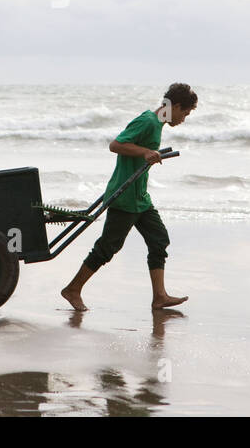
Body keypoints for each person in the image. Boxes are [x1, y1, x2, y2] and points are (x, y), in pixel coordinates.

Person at [60, 82, 197, 311]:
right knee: (107, 248)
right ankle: (72, 289)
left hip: (140, 198)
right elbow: (116, 144)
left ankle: (159, 296)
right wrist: (145, 152)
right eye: (186, 113)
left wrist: (148, 153)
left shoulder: (158, 123)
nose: (184, 118)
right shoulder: (148, 121)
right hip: (124, 197)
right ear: (177, 106)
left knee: (159, 240)